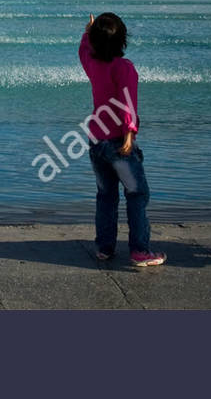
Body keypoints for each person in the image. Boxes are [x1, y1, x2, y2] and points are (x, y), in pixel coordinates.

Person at [78, 13, 165, 267]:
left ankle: (104, 247)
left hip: (96, 140)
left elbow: (83, 51)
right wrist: (129, 133)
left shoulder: (92, 63)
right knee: (137, 194)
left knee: (106, 195)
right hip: (118, 142)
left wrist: (87, 33)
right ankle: (139, 250)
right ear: (123, 40)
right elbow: (127, 102)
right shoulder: (123, 67)